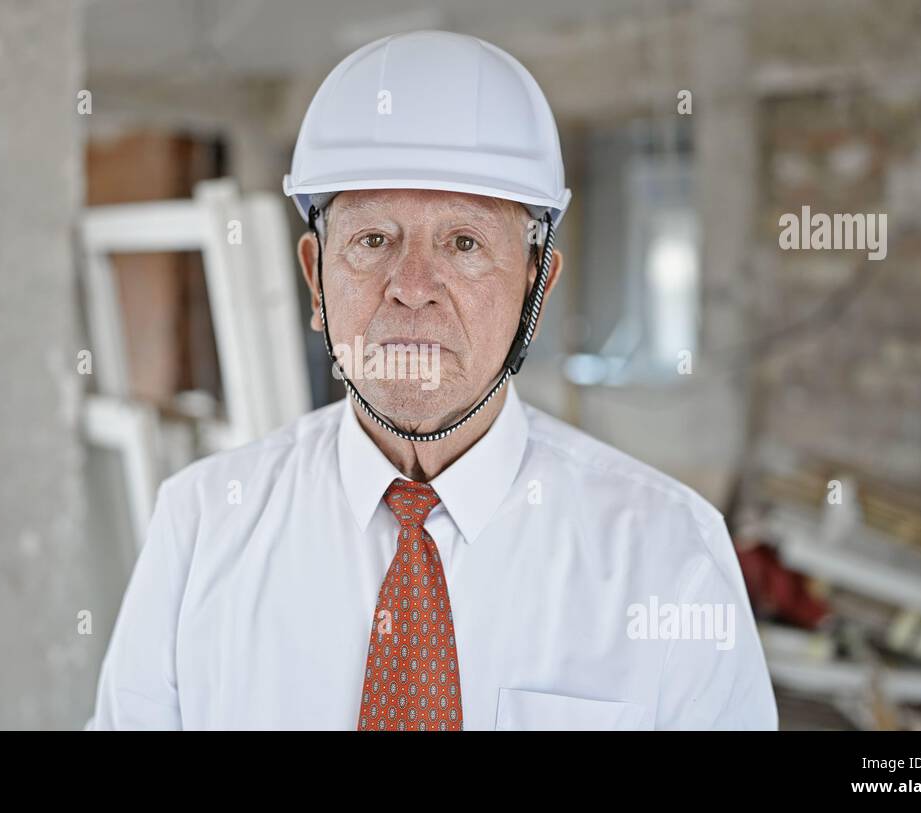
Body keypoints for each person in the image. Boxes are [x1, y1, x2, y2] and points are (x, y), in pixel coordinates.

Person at [88, 29, 776, 730]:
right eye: (373, 240)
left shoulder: (668, 555)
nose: (412, 289)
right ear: (315, 280)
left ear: (535, 289)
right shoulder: (200, 527)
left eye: (465, 242)